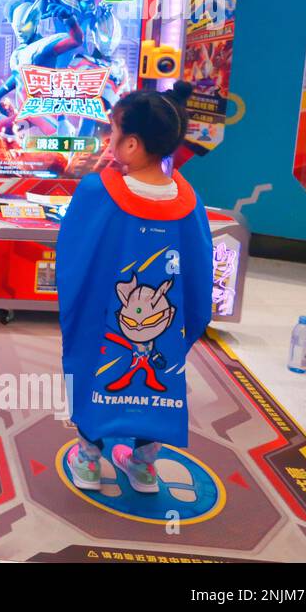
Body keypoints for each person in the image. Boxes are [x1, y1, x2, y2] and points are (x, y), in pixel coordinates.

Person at [56, 82, 213, 495]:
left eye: (113, 132)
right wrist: (188, 324)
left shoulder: (97, 191)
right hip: (166, 326)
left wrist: (79, 312)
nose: (109, 140)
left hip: (103, 321)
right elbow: (200, 270)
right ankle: (143, 465)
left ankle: (89, 461)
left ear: (132, 144)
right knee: (159, 378)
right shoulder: (188, 199)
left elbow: (73, 257)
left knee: (92, 371)